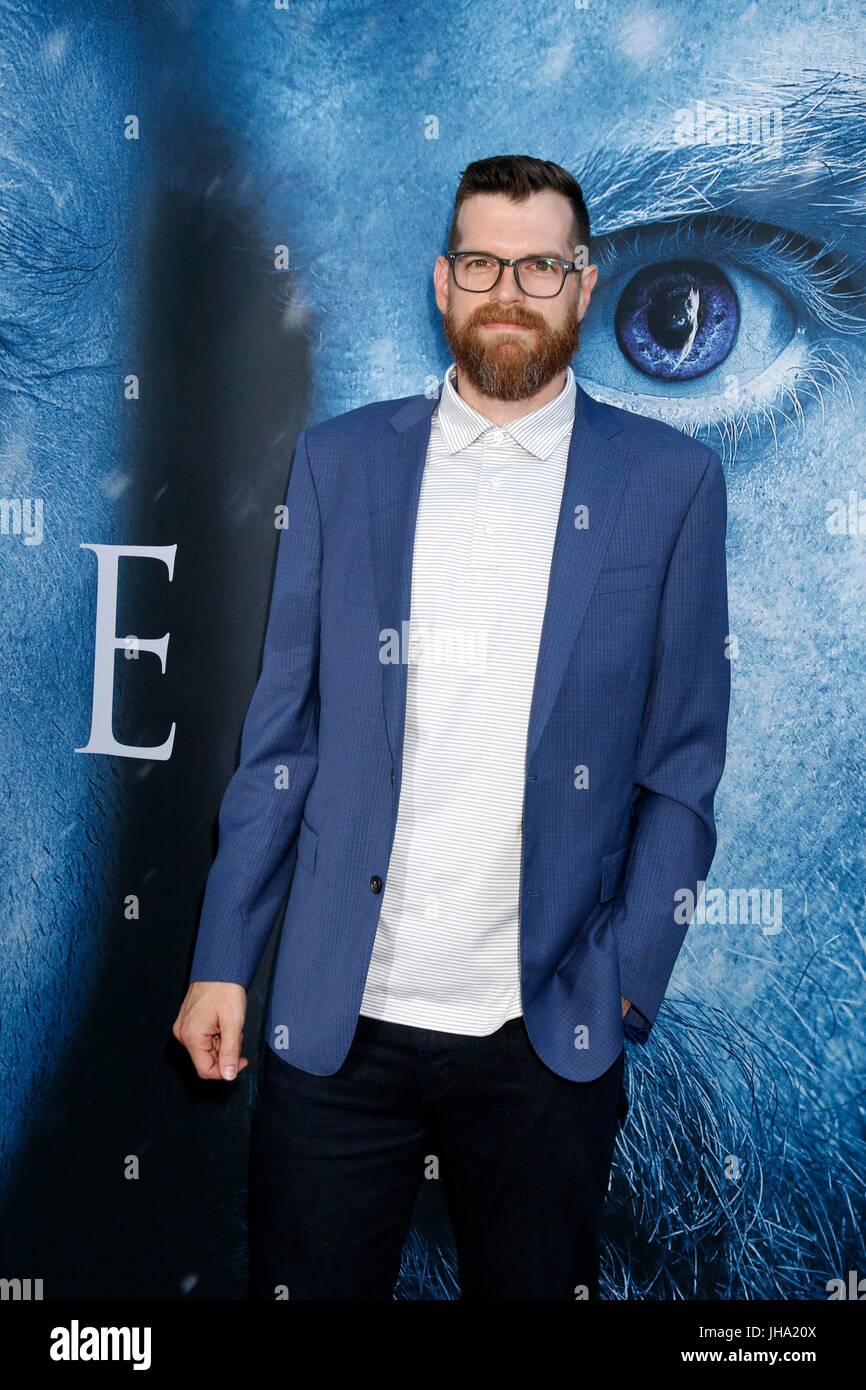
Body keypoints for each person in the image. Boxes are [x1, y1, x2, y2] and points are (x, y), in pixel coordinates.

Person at [173, 154, 731, 1301]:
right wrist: (224, 958)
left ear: (582, 285)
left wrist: (624, 982)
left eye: (539, 265)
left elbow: (680, 767)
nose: (507, 289)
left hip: (548, 1035)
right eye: (481, 260)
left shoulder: (667, 483)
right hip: (340, 1028)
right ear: (442, 282)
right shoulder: (341, 463)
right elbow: (282, 742)